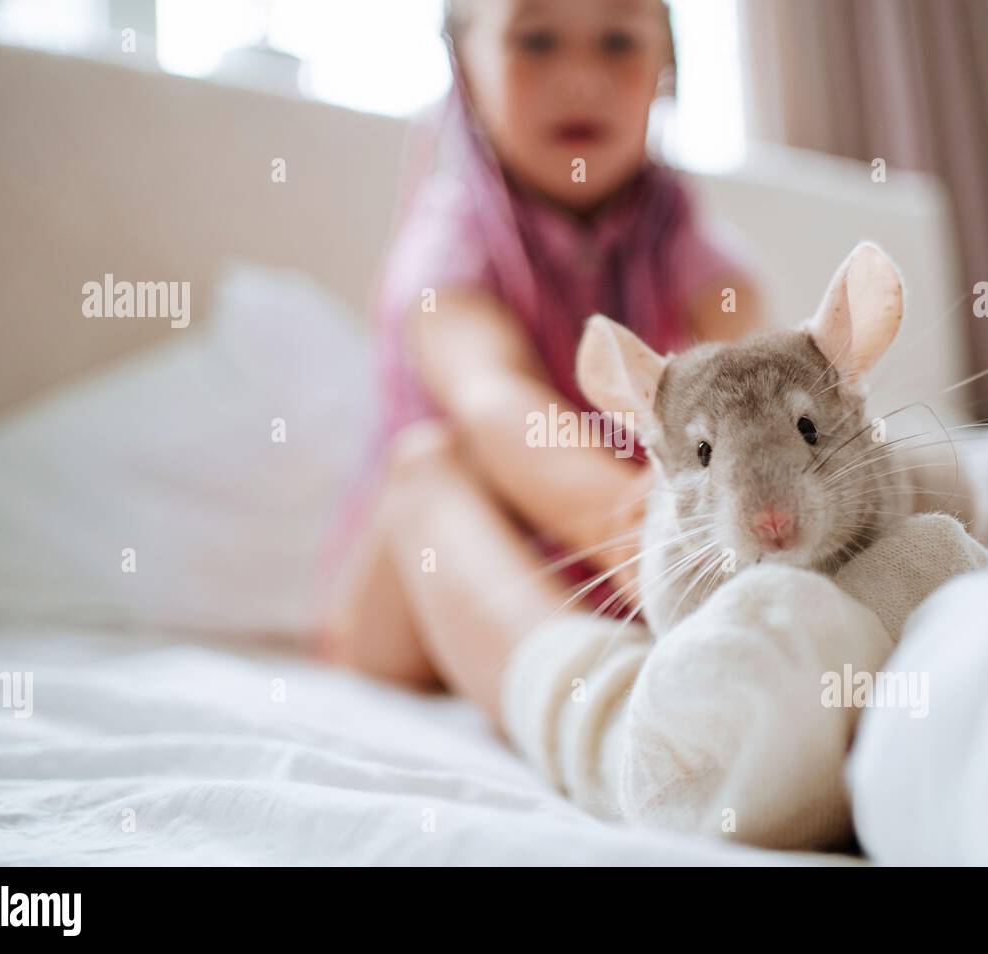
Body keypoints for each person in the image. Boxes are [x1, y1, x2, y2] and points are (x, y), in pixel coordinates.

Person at [315, 0, 761, 732]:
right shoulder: (454, 239)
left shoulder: (681, 235)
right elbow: (493, 400)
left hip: (595, 588)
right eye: (537, 40)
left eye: (618, 41)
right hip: (410, 607)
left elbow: (744, 360)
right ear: (465, 66)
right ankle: (597, 718)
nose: (580, 79)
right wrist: (634, 523)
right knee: (427, 464)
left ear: (666, 68)